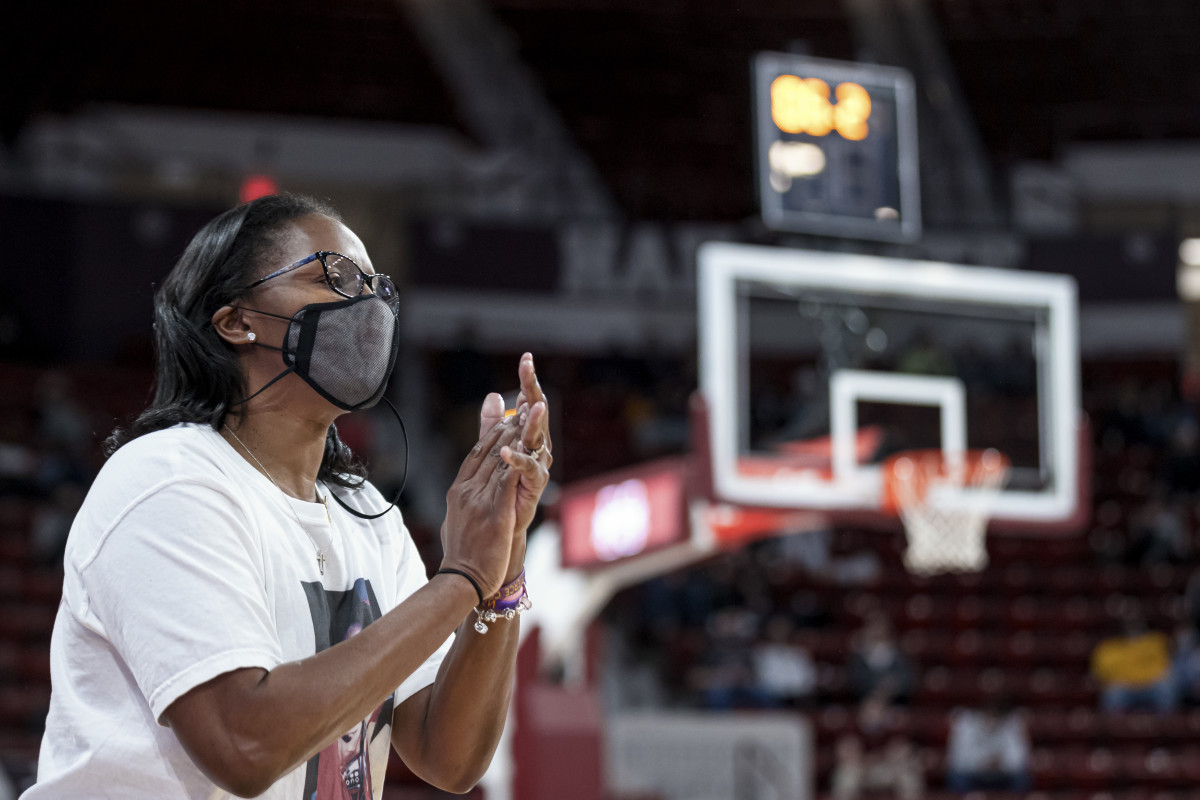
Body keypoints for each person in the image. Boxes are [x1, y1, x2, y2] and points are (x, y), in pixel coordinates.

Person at [23, 194, 552, 799]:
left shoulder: (369, 516)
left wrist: (502, 562)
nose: (369, 300)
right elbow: (244, 746)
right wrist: (460, 580)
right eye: (335, 275)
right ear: (237, 321)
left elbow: (448, 759)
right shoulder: (168, 478)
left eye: (377, 284)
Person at [1090, 601, 1176, 714]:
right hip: (1124, 687)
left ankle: (1168, 727)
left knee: (1166, 689)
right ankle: (1115, 730)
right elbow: (1099, 675)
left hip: (1151, 685)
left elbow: (1167, 668)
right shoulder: (1107, 647)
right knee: (1113, 694)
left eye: (1135, 620)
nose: (1132, 623)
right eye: (1128, 620)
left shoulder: (1155, 640)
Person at [944, 697, 1031, 792]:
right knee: (956, 776)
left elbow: (1019, 759)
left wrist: (1002, 763)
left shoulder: (1010, 725)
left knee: (1020, 777)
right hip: (974, 775)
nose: (992, 720)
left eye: (996, 715)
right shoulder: (967, 724)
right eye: (989, 715)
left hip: (1001, 775)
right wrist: (983, 763)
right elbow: (958, 760)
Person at [847, 612, 916, 706]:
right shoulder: (859, 658)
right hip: (865, 703)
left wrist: (889, 690)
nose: (878, 633)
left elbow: (908, 680)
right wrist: (876, 692)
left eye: (881, 631)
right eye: (874, 631)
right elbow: (855, 681)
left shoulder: (900, 657)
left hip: (895, 703)